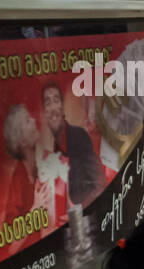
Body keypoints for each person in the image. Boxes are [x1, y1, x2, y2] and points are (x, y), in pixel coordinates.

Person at [42, 80, 105, 208]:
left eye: (56, 100)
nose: (53, 108)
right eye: (48, 103)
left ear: (62, 106)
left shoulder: (79, 136)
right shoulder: (48, 149)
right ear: (44, 112)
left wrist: (84, 212)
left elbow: (99, 183)